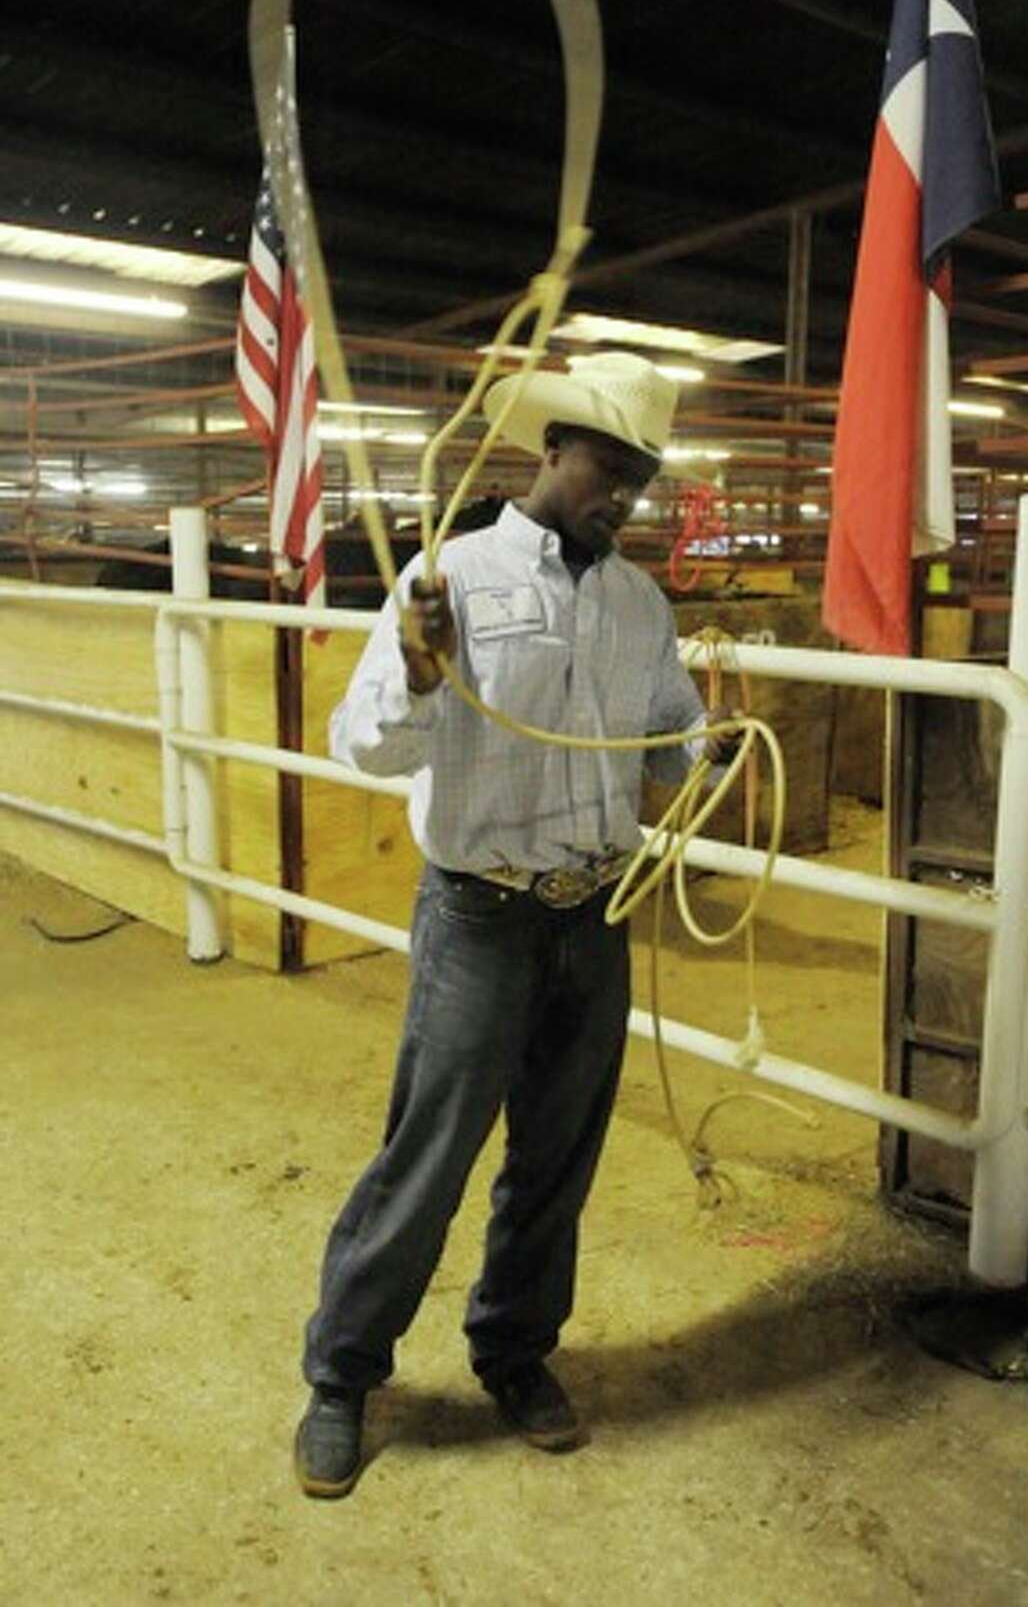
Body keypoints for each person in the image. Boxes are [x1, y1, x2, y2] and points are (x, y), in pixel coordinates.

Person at [295, 350, 736, 1499]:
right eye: (607, 465)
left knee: (557, 1155)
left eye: (639, 473)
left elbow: (665, 740)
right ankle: (341, 1375)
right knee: (430, 1155)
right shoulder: (452, 581)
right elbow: (367, 745)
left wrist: (710, 751)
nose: (623, 492)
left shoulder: (639, 603)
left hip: (591, 915)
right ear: (549, 449)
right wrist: (419, 672)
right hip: (481, 914)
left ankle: (515, 1351)